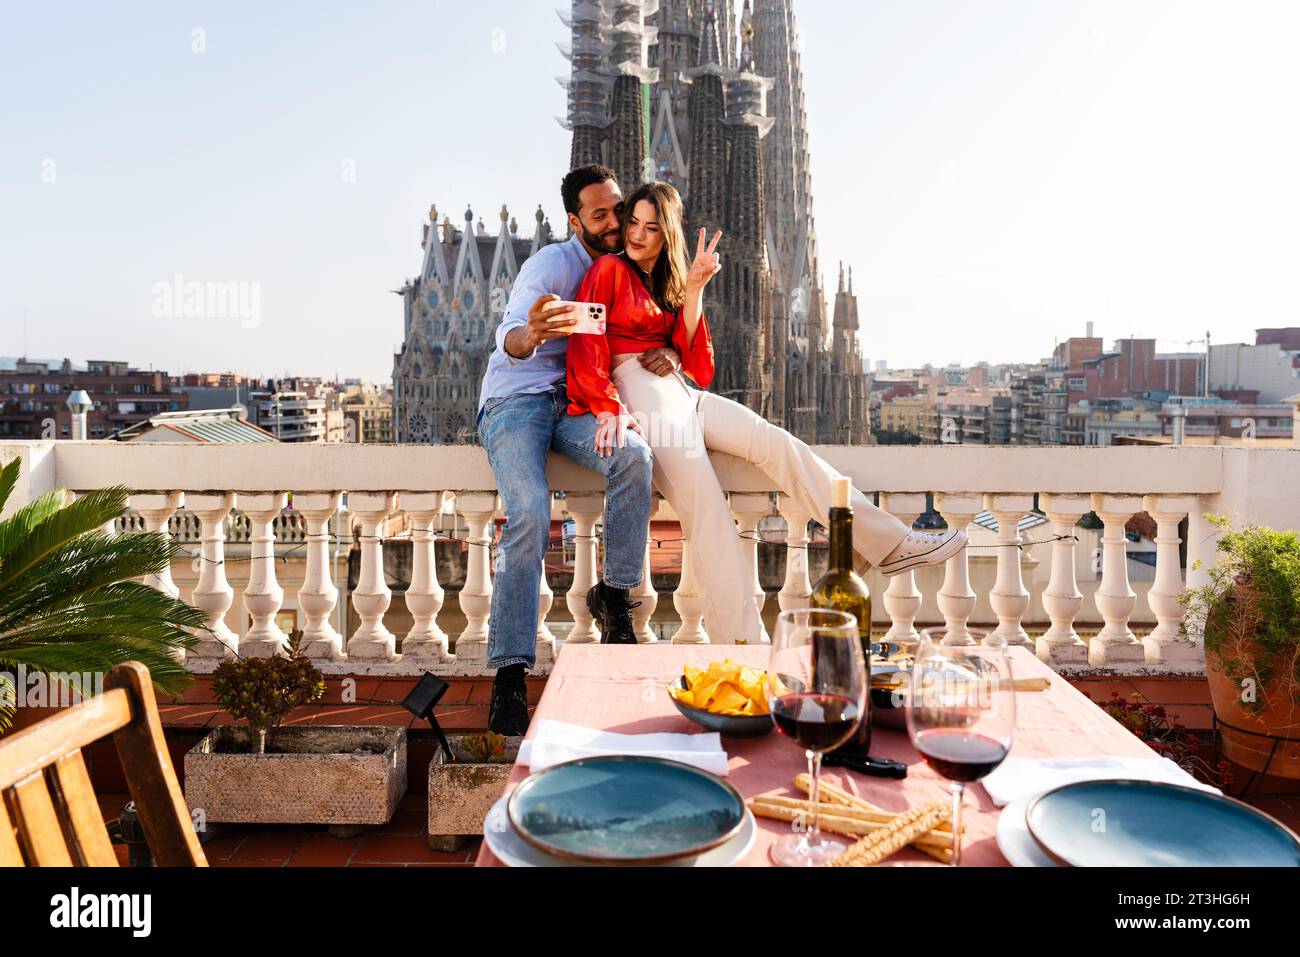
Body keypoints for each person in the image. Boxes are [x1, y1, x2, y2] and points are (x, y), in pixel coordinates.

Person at [565, 181, 966, 644]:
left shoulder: (670, 282)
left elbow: (699, 363)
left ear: (668, 233)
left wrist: (692, 293)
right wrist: (608, 408)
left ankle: (889, 542)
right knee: (709, 513)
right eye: (632, 222)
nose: (636, 234)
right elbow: (585, 345)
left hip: (682, 393)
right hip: (642, 397)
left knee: (776, 443)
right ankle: (744, 643)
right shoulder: (606, 270)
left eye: (651, 227)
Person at [477, 165, 670, 735]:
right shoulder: (552, 264)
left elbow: (661, 331)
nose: (615, 224)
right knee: (531, 512)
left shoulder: (632, 270)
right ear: (574, 220)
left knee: (635, 459)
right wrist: (532, 334)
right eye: (601, 215)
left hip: (580, 405)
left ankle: (612, 595)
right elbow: (510, 332)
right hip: (517, 402)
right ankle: (510, 672)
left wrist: (674, 357)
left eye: (619, 210)